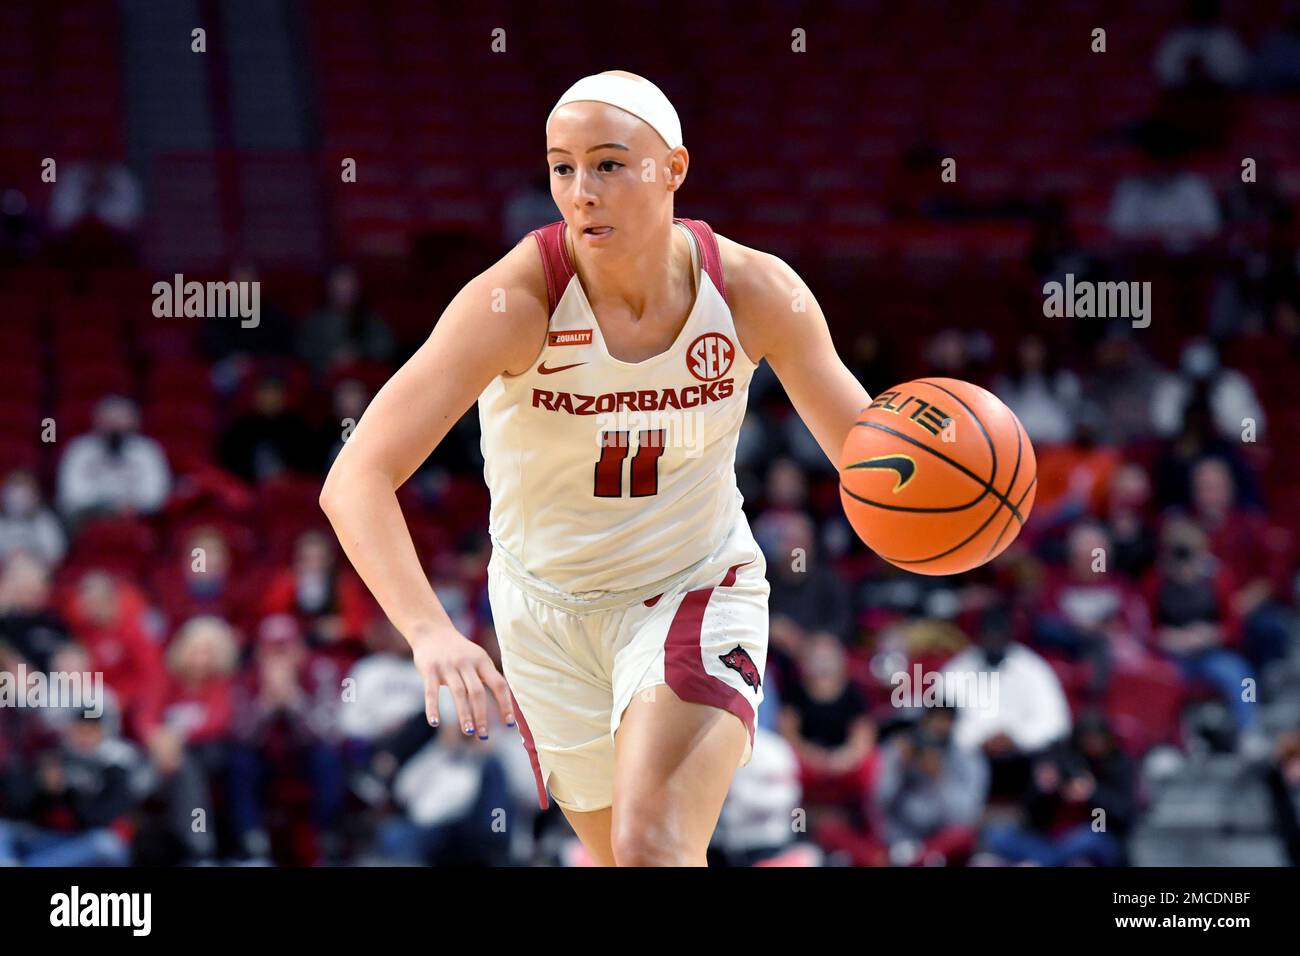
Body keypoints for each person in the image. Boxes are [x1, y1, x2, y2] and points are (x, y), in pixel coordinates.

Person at [320, 70, 871, 866]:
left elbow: (871, 457)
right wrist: (429, 631)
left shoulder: (755, 291)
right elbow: (357, 477)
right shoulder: (514, 302)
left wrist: (953, 492)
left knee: (652, 846)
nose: (581, 191)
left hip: (692, 588)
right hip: (544, 617)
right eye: (562, 167)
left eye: (609, 164)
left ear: (674, 169)